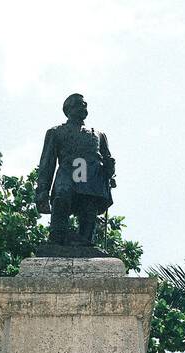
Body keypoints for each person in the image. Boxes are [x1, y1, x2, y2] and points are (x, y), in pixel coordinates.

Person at [35, 93, 116, 247]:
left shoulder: (99, 134)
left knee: (89, 208)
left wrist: (109, 169)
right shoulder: (56, 132)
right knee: (63, 197)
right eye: (80, 104)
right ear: (68, 109)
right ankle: (56, 238)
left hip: (92, 179)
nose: (83, 107)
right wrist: (42, 192)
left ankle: (85, 242)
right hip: (68, 173)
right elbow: (47, 163)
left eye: (85, 104)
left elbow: (106, 159)